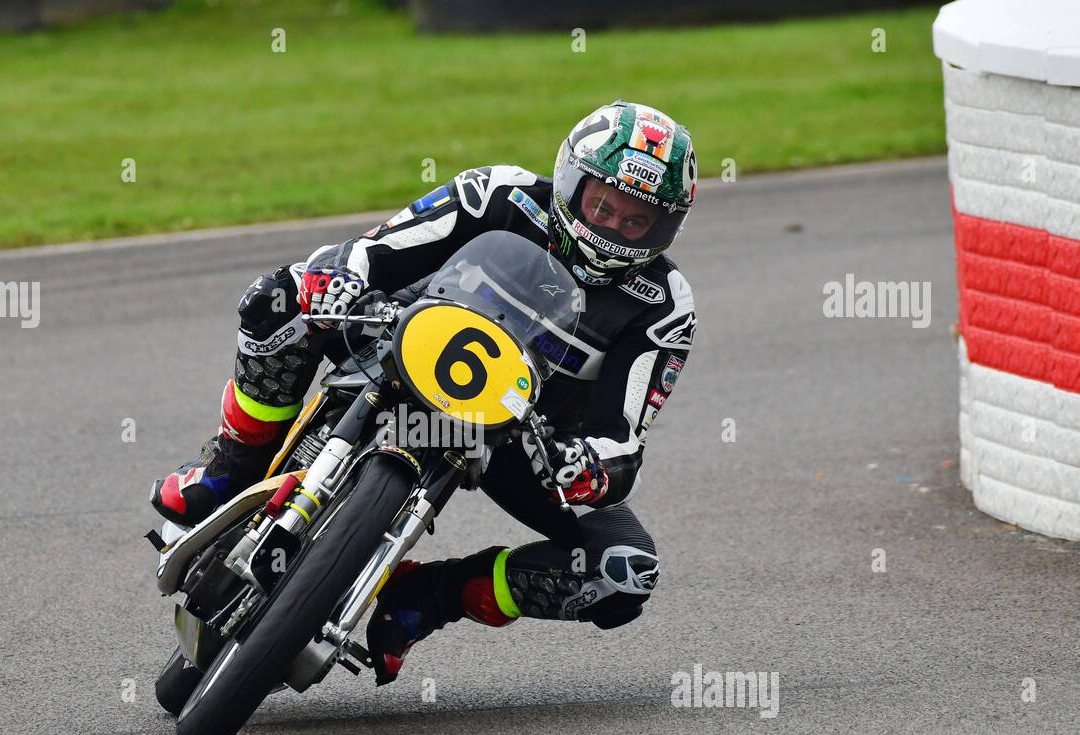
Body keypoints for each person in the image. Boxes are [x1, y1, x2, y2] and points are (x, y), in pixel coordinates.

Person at [151, 101, 698, 684]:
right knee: (277, 299)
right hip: (395, 342)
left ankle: (429, 595)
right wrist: (342, 279)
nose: (612, 229)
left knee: (622, 572)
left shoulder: (664, 304)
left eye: (636, 222)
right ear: (570, 182)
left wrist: (590, 466)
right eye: (603, 206)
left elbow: (623, 436)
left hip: (518, 439)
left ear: (666, 227)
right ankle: (231, 469)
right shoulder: (498, 195)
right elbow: (376, 249)